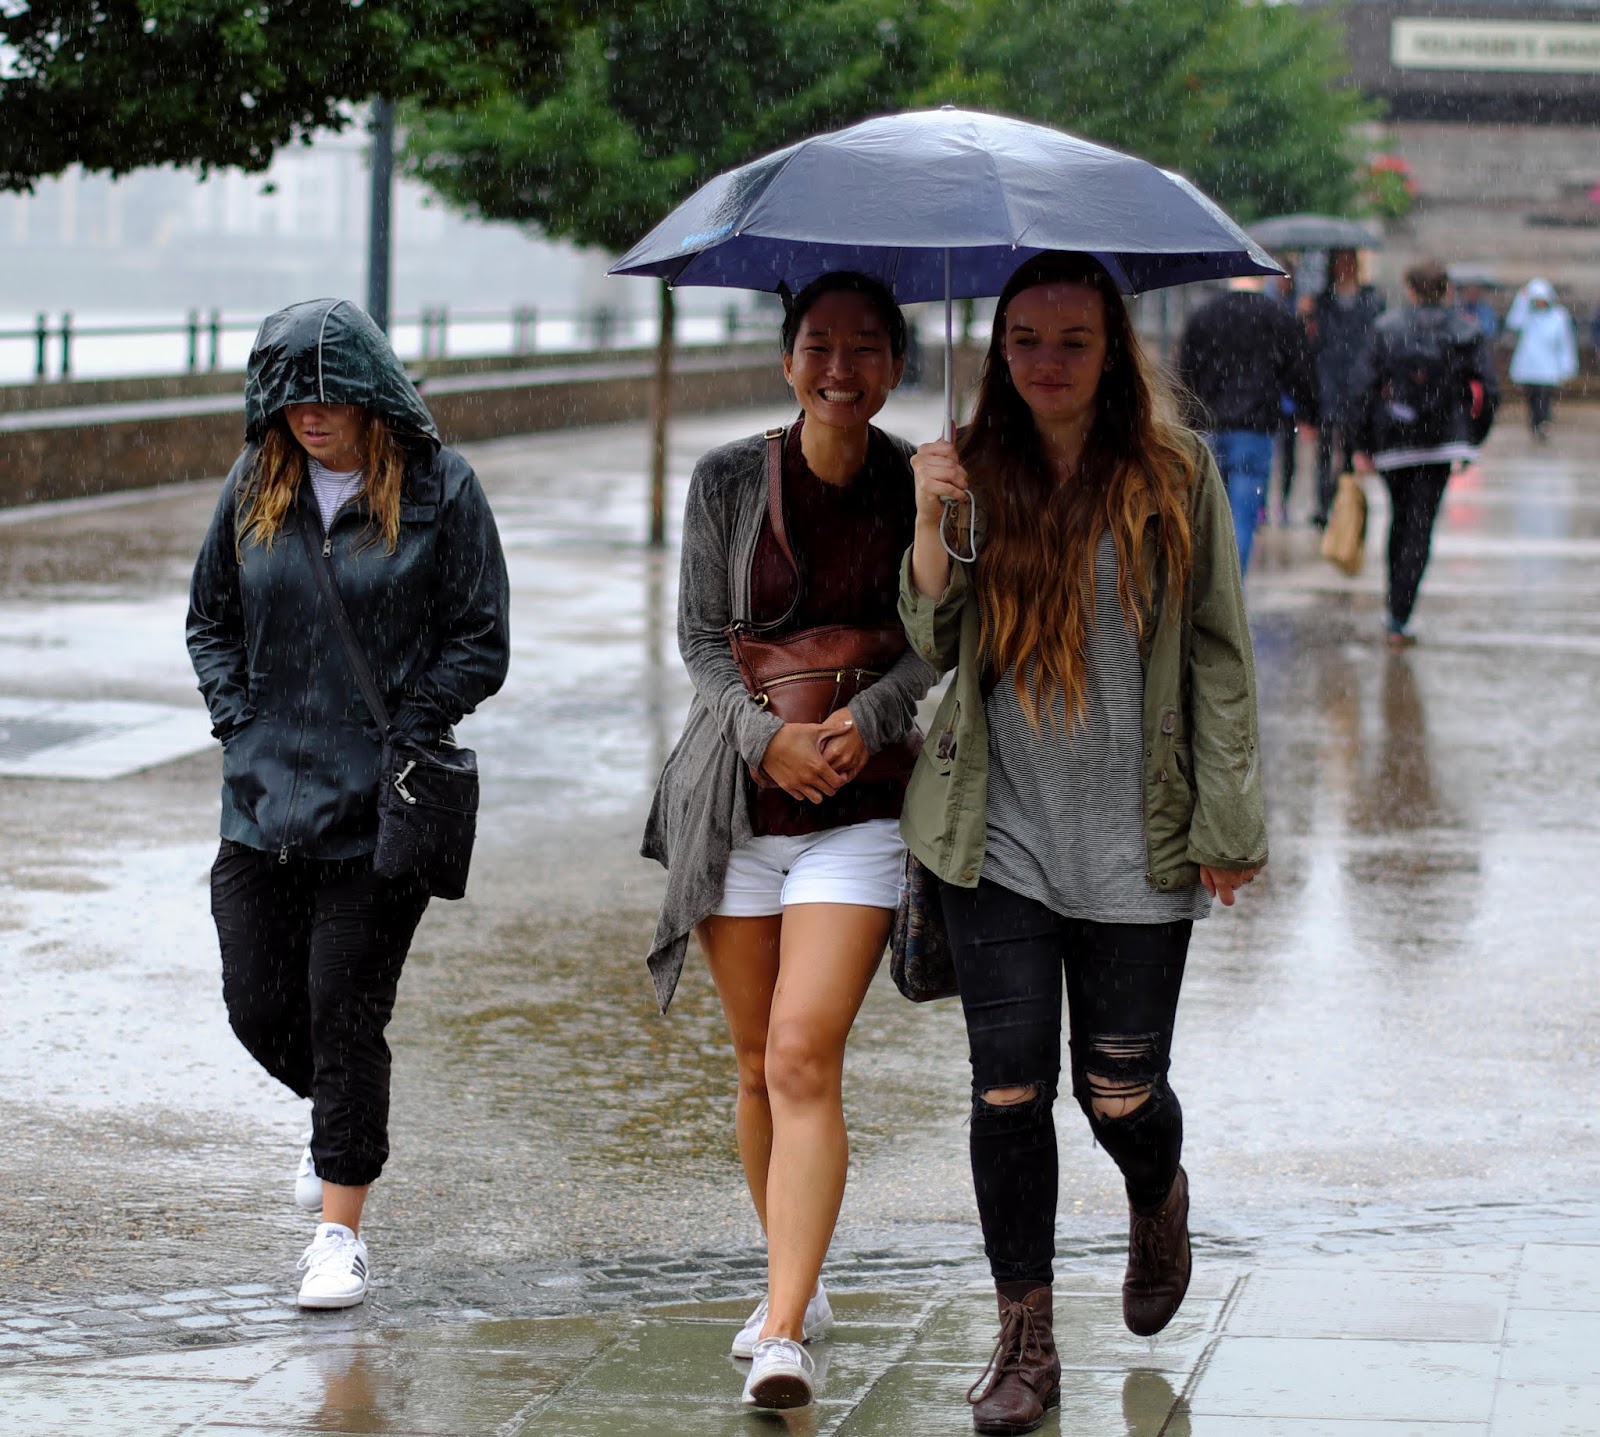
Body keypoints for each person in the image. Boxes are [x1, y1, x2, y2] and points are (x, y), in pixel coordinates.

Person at [904, 251, 1267, 1436]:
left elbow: (1217, 650)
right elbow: (933, 635)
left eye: (1071, 339)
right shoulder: (971, 467)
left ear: (1113, 349)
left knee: (1116, 1096)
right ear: (997, 348)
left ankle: (1156, 1197)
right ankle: (1025, 1338)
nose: (1045, 361)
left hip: (1135, 835)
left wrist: (1228, 822)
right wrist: (932, 520)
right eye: (1023, 339)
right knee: (1008, 1091)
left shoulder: (1175, 471)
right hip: (996, 832)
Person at [640, 272, 933, 1411]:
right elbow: (702, 644)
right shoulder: (725, 479)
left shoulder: (920, 481)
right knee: (757, 1061)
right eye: (819, 345)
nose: (841, 368)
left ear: (897, 366)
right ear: (786, 361)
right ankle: (791, 1280)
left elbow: (936, 641)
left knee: (807, 1054)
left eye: (866, 348)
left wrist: (861, 723)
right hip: (734, 808)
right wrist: (768, 743)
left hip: (858, 814)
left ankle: (782, 1332)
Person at [187, 299, 510, 1309]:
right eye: (290, 396)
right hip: (262, 796)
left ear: (373, 390)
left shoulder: (442, 491)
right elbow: (208, 619)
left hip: (382, 802)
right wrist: (240, 722)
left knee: (343, 1008)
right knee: (256, 1005)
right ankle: (338, 1124)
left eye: (329, 392)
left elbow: (480, 638)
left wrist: (408, 721)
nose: (311, 414)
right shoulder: (253, 485)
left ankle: (339, 1232)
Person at [1349, 259, 1498, 648]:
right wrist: (1472, 438)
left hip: (1393, 442)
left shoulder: (1386, 328)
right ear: (1447, 289)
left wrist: (1360, 443)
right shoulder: (1466, 330)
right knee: (1421, 524)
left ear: (1410, 289)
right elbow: (1490, 391)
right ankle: (1402, 611)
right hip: (1441, 444)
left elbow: (1363, 388)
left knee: (1400, 520)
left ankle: (1393, 604)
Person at [1175, 275, 1317, 574]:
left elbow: (1183, 373)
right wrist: (1308, 412)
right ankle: (1231, 589)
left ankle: (1205, 586)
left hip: (1208, 428)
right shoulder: (1275, 316)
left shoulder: (1204, 315)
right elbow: (1300, 369)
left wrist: (1187, 420)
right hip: (1254, 428)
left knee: (1206, 516)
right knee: (1242, 515)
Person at [1306, 249, 1385, 525]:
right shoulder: (1321, 302)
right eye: (1341, 262)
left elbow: (1376, 337)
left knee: (1352, 444)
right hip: (1328, 377)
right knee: (1326, 446)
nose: (1346, 267)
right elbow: (1313, 344)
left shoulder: (1371, 299)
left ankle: (1345, 500)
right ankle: (1323, 502)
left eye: (1350, 262)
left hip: (1358, 380)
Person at [1505, 278, 1578, 442]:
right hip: (1529, 366)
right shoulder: (1528, 315)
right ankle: (1536, 425)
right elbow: (1513, 323)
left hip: (1548, 367)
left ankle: (1543, 423)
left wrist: (1567, 365)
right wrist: (1521, 300)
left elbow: (1565, 342)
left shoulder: (1559, 316)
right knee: (1532, 398)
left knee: (1544, 397)